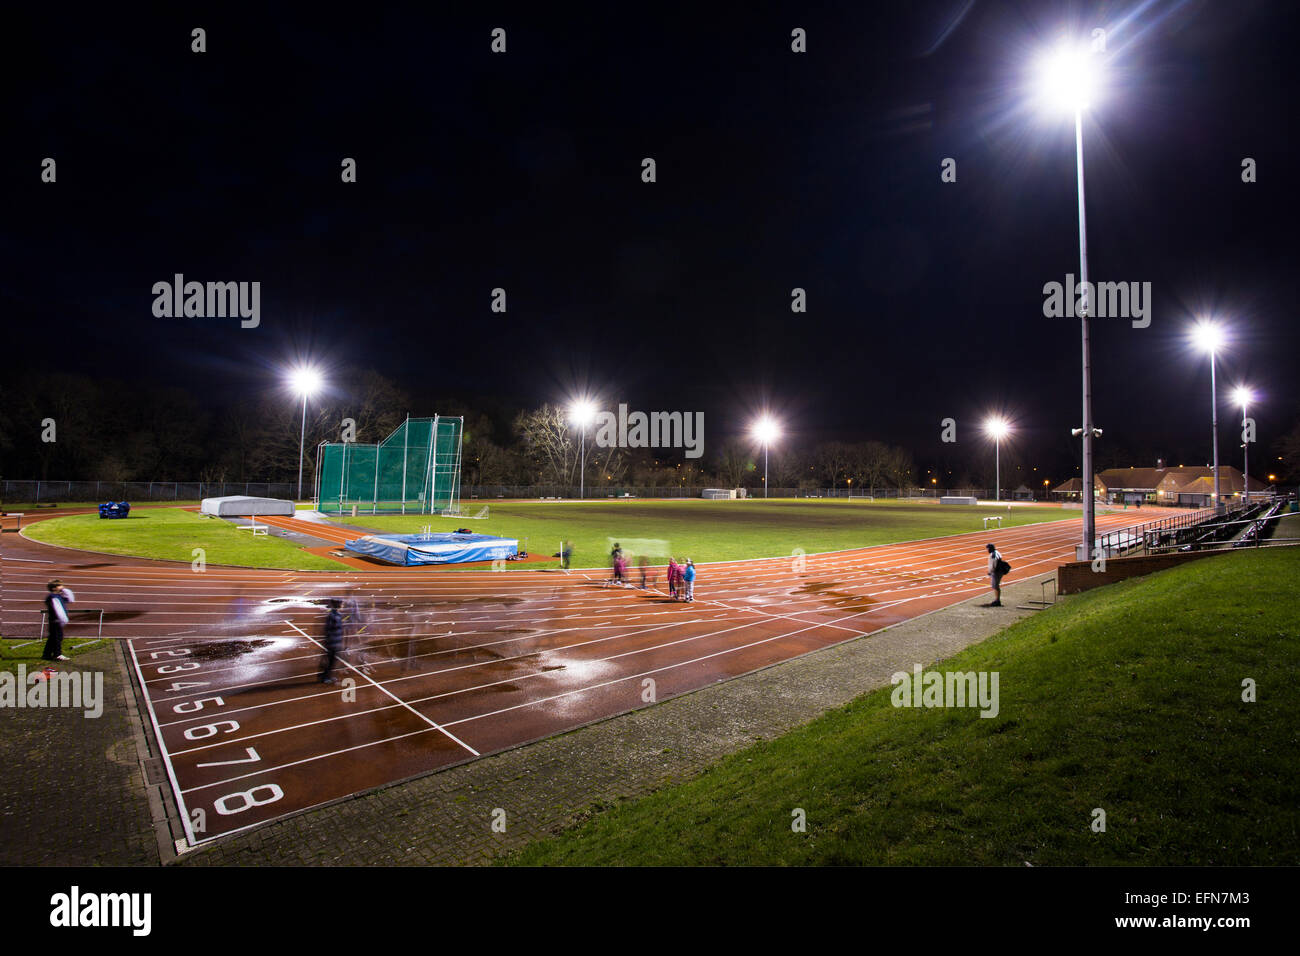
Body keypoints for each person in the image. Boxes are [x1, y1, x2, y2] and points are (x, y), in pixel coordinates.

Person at [42, 579, 75, 662]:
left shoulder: (59, 596)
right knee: (57, 638)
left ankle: (46, 654)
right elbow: (58, 610)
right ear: (54, 588)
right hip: (56, 621)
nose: (62, 587)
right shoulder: (53, 597)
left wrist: (64, 590)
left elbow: (71, 599)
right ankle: (57, 654)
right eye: (60, 586)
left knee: (52, 638)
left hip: (56, 621)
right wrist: (63, 620)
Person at [319, 598, 345, 683]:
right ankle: (325, 677)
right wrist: (329, 641)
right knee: (331, 660)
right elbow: (328, 629)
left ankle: (326, 675)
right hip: (332, 642)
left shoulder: (337, 614)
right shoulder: (332, 615)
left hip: (336, 641)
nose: (342, 605)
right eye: (341, 604)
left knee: (332, 660)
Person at [984, 543, 1007, 607]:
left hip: (996, 572)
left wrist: (990, 572)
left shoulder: (993, 555)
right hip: (1000, 570)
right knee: (996, 586)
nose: (987, 550)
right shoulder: (997, 552)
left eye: (987, 548)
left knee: (995, 586)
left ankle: (997, 601)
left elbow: (993, 565)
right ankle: (997, 600)